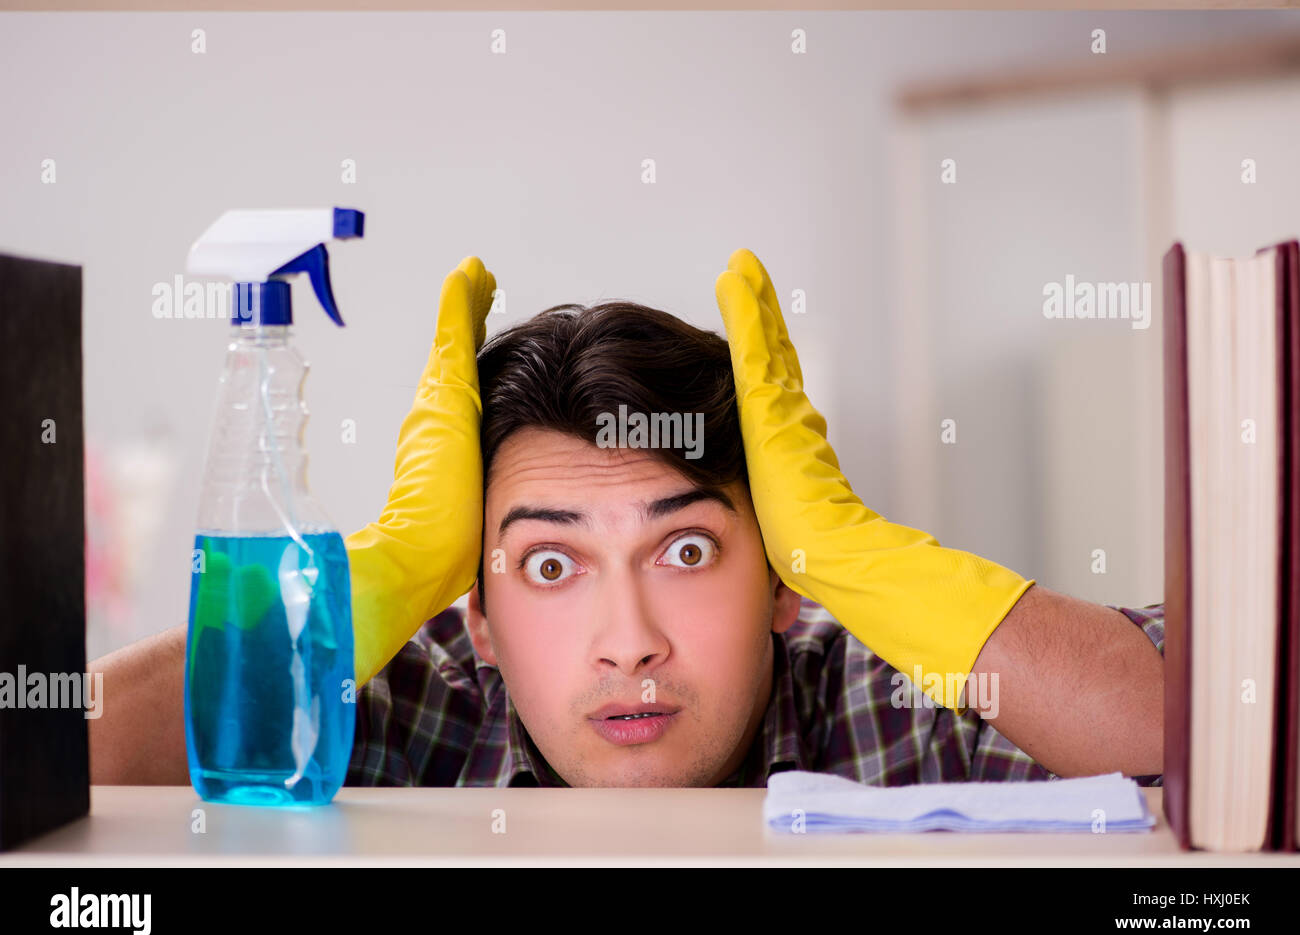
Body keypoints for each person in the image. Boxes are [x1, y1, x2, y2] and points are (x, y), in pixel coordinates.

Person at [89, 251, 1164, 789]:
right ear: (478, 615)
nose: (630, 641)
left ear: (782, 576)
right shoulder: (407, 711)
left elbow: (1212, 731)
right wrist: (358, 589)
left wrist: (850, 547)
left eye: (687, 549)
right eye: (550, 566)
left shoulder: (896, 703)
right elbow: (44, 772)